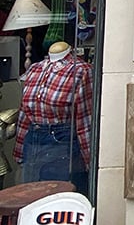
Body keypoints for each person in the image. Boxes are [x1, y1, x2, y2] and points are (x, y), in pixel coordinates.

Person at [13, 41, 92, 193]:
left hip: (62, 140)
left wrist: (89, 160)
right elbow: (24, 113)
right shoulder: (35, 69)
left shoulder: (81, 71)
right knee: (32, 195)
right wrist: (20, 150)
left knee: (58, 195)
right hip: (33, 139)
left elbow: (84, 119)